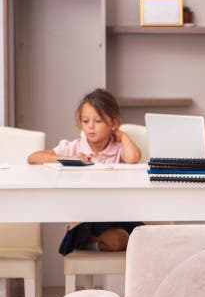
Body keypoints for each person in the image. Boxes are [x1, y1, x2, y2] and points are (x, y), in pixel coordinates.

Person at [27, 88, 143, 254]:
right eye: (86, 121)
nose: (91, 127)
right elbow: (33, 157)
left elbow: (133, 158)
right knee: (121, 238)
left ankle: (88, 243)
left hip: (115, 213)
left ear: (113, 123)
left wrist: (122, 135)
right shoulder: (75, 147)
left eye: (98, 121)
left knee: (121, 239)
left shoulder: (118, 149)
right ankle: (81, 240)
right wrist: (72, 159)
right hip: (86, 216)